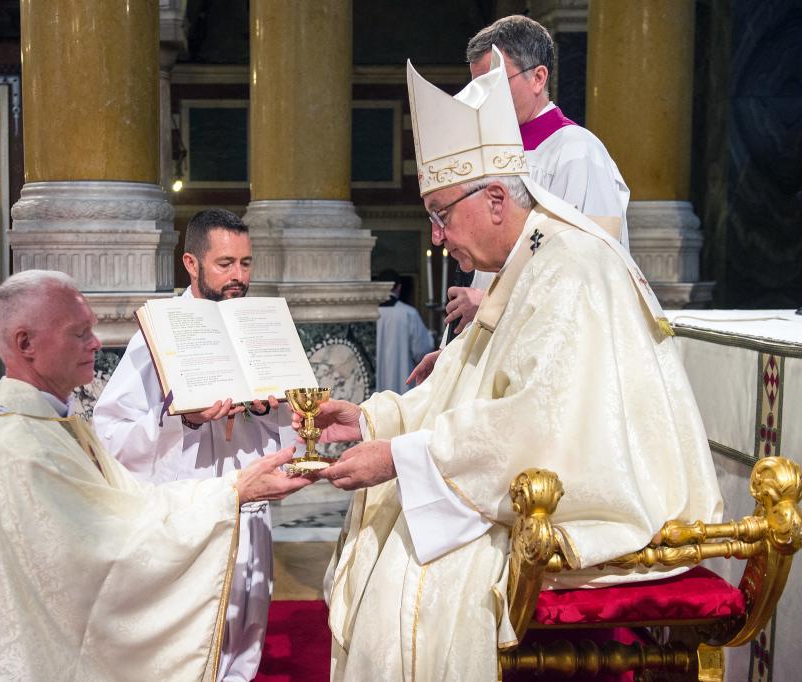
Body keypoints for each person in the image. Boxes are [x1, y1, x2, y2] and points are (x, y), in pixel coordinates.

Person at [303, 49, 721, 681]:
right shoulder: (526, 259)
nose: (437, 237)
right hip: (523, 480)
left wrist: (398, 457)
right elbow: (468, 388)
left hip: (588, 499)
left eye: (441, 214)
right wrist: (372, 419)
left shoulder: (568, 268)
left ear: (497, 198)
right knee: (391, 539)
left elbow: (537, 422)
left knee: (418, 578)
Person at [0, 270, 311, 681]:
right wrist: (231, 493)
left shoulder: (54, 425)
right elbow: (106, 556)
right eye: (80, 333)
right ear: (25, 344)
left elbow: (130, 505)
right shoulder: (17, 450)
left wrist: (235, 488)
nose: (96, 343)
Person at [93, 208, 292, 682]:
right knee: (191, 643)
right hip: (191, 511)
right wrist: (181, 420)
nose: (238, 277)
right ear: (191, 262)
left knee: (246, 630)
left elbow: (287, 431)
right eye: (225, 264)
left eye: (246, 263)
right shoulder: (161, 335)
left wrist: (268, 412)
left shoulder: (259, 328)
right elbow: (111, 431)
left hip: (250, 516)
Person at [410, 15, 631, 381]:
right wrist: (459, 353)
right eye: (475, 87)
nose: (480, 100)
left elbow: (584, 273)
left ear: (538, 77)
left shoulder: (576, 153)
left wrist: (486, 304)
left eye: (493, 84)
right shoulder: (489, 159)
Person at [373, 269, 434, 394]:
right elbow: (422, 351)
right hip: (401, 387)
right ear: (399, 287)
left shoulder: (366, 315)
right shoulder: (408, 313)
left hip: (372, 389)